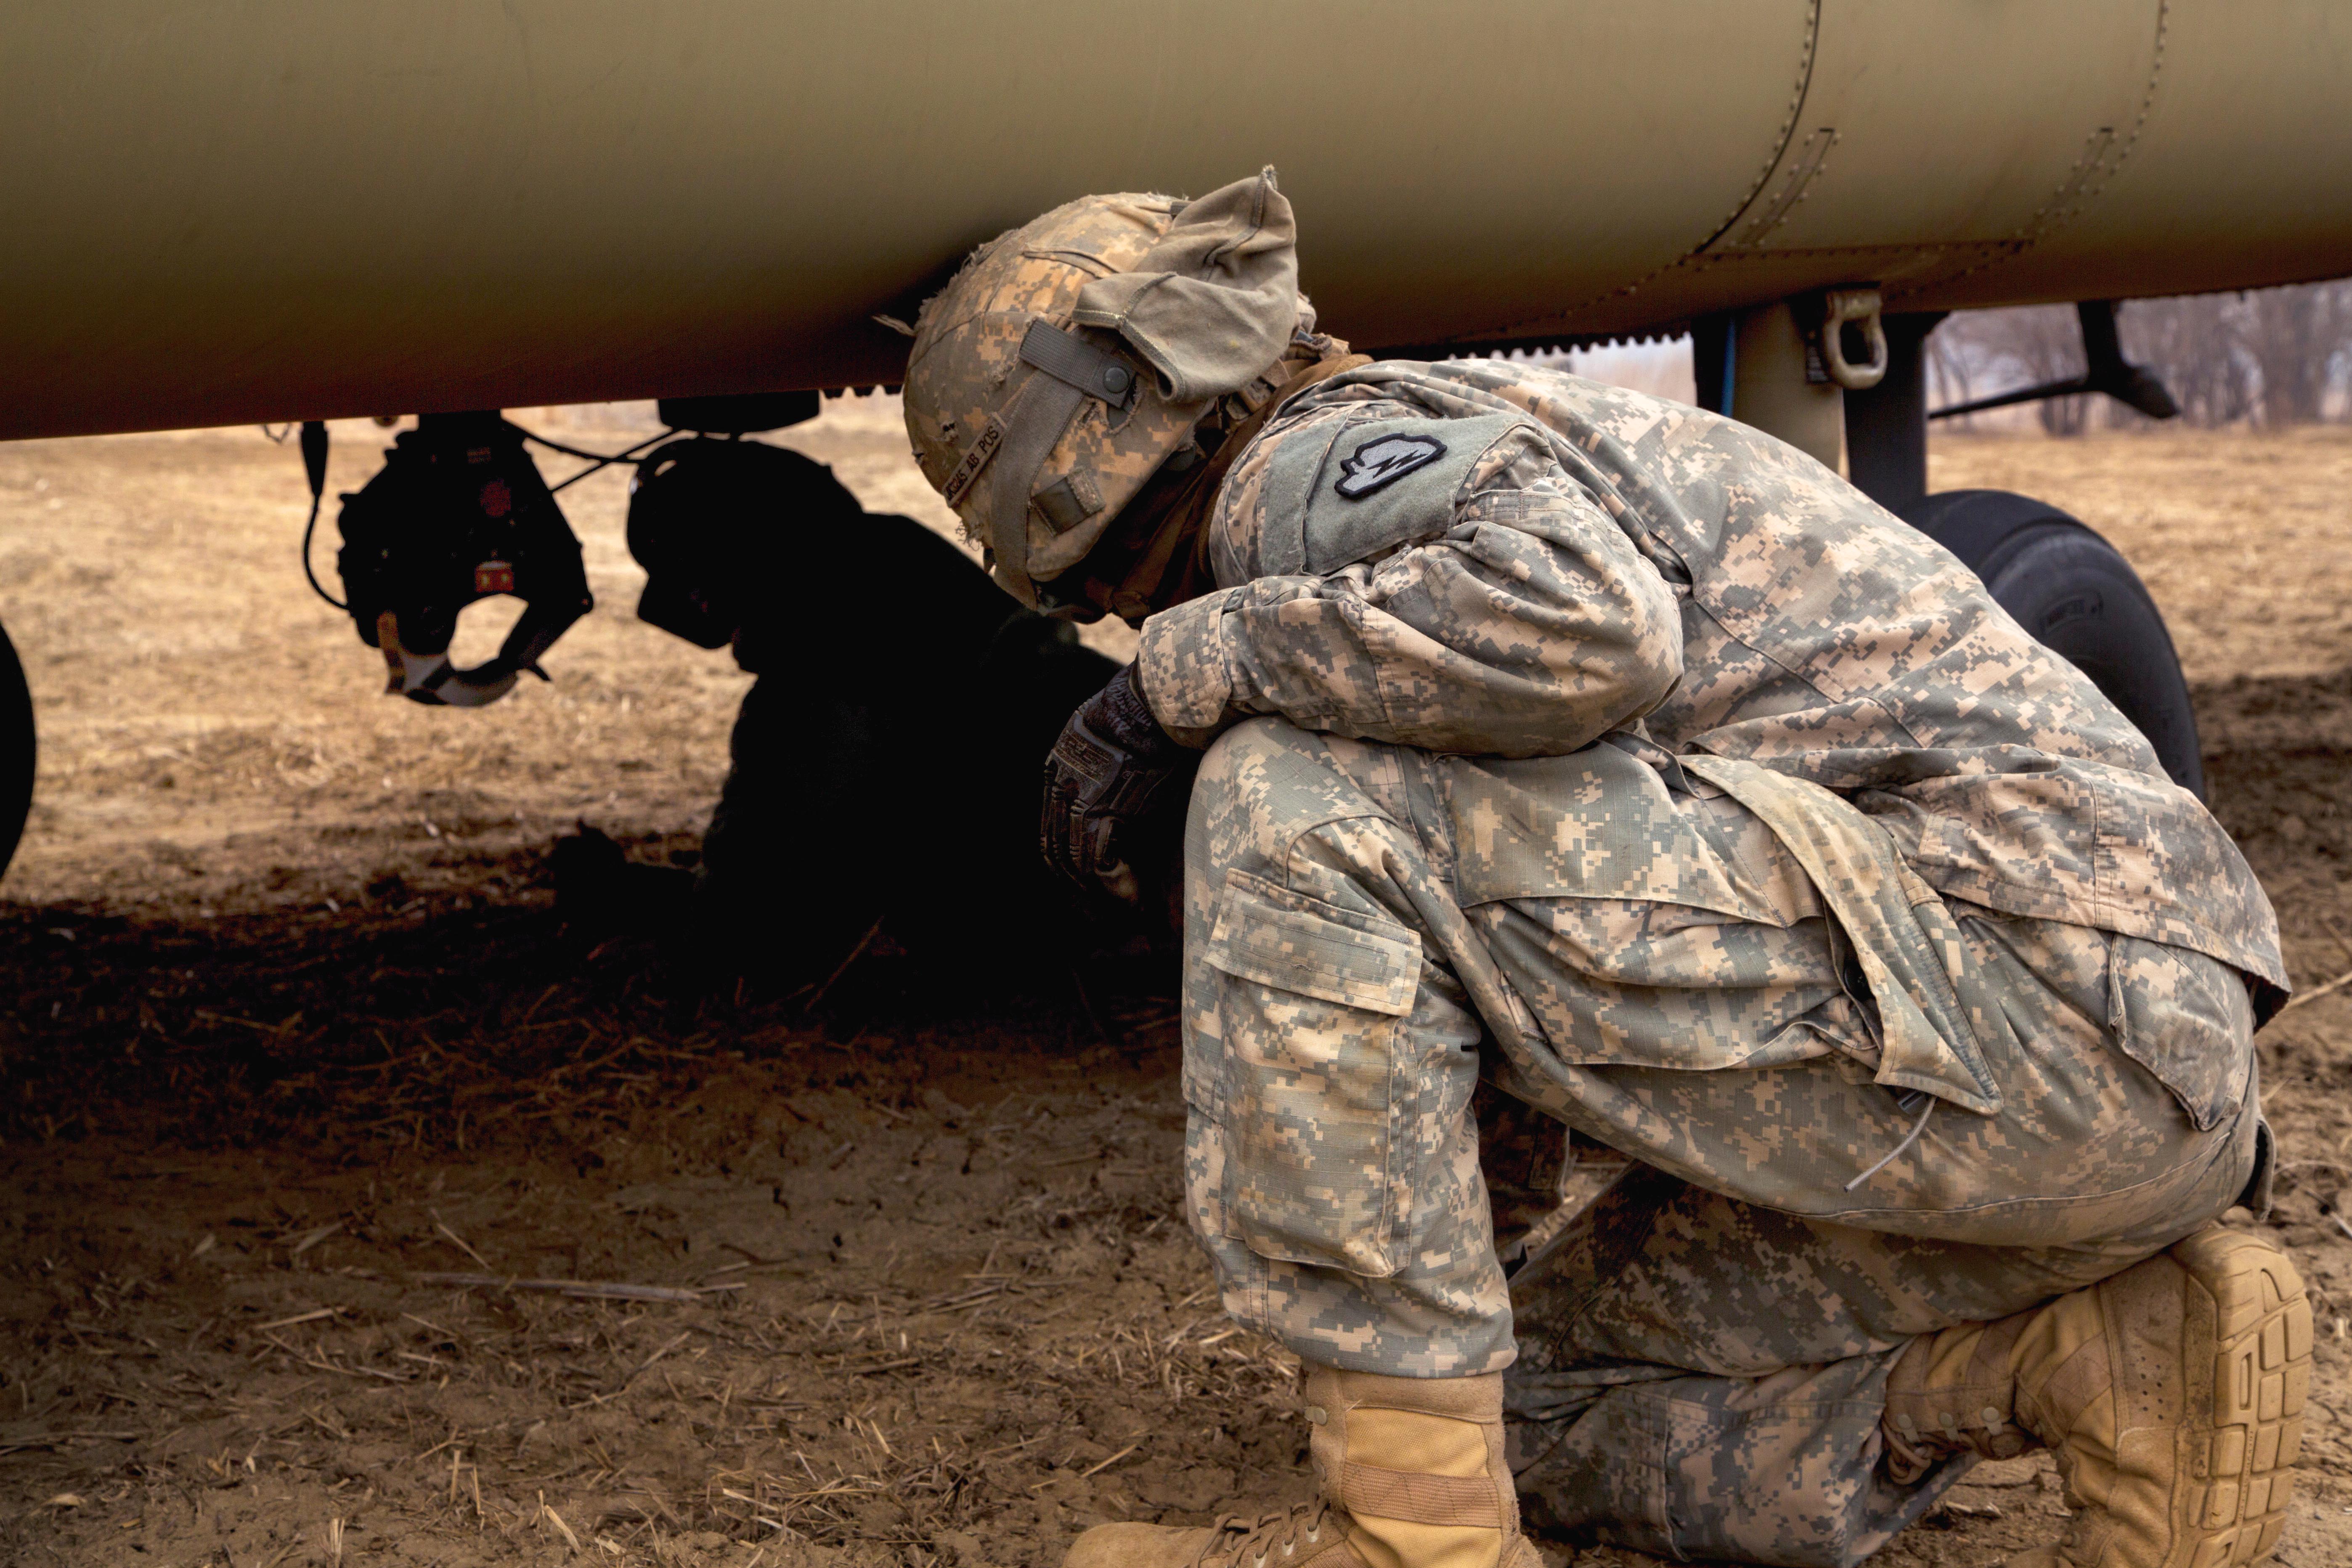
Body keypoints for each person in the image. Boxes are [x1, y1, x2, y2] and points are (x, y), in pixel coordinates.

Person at [898, 169, 2309, 1568]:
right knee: (1538, 1404)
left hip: (2020, 997)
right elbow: (1457, 969)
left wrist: (1178, 672)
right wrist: (1452, 1301)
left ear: (1059, 485)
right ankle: (2079, 1359)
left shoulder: (1298, 470)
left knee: (1288, 795)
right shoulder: (1452, 440)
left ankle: (1408, 1550)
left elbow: (1580, 622)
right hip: (2095, 1061)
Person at [554, 436, 1118, 975]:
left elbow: (756, 910)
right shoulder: (895, 559)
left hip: (1033, 901)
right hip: (1114, 808)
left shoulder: (817, 678)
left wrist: (645, 920)